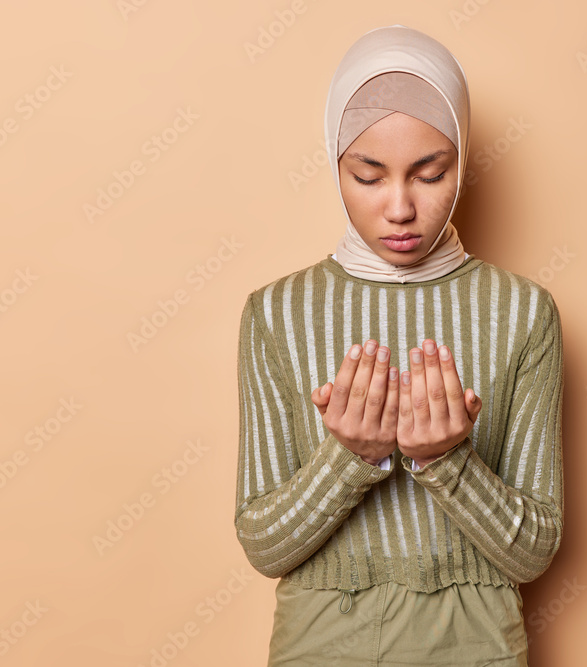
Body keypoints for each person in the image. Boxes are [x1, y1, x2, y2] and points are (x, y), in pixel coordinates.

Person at [235, 24, 564, 666]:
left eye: (430, 173)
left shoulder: (524, 312)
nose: (400, 207)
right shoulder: (275, 314)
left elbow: (533, 553)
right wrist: (350, 457)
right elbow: (263, 547)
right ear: (335, 166)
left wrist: (447, 462)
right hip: (320, 644)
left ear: (462, 161)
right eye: (368, 175)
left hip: (477, 642)